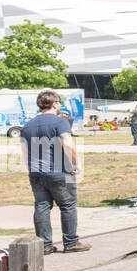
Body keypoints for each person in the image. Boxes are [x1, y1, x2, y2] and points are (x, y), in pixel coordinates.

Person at [18, 90, 91, 255]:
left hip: (36, 173)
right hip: (59, 171)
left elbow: (25, 151)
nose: (59, 105)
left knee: (42, 206)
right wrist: (77, 163)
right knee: (68, 205)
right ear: (54, 103)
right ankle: (71, 242)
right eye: (59, 102)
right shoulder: (60, 122)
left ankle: (44, 245)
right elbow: (68, 144)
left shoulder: (27, 126)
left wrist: (31, 170)